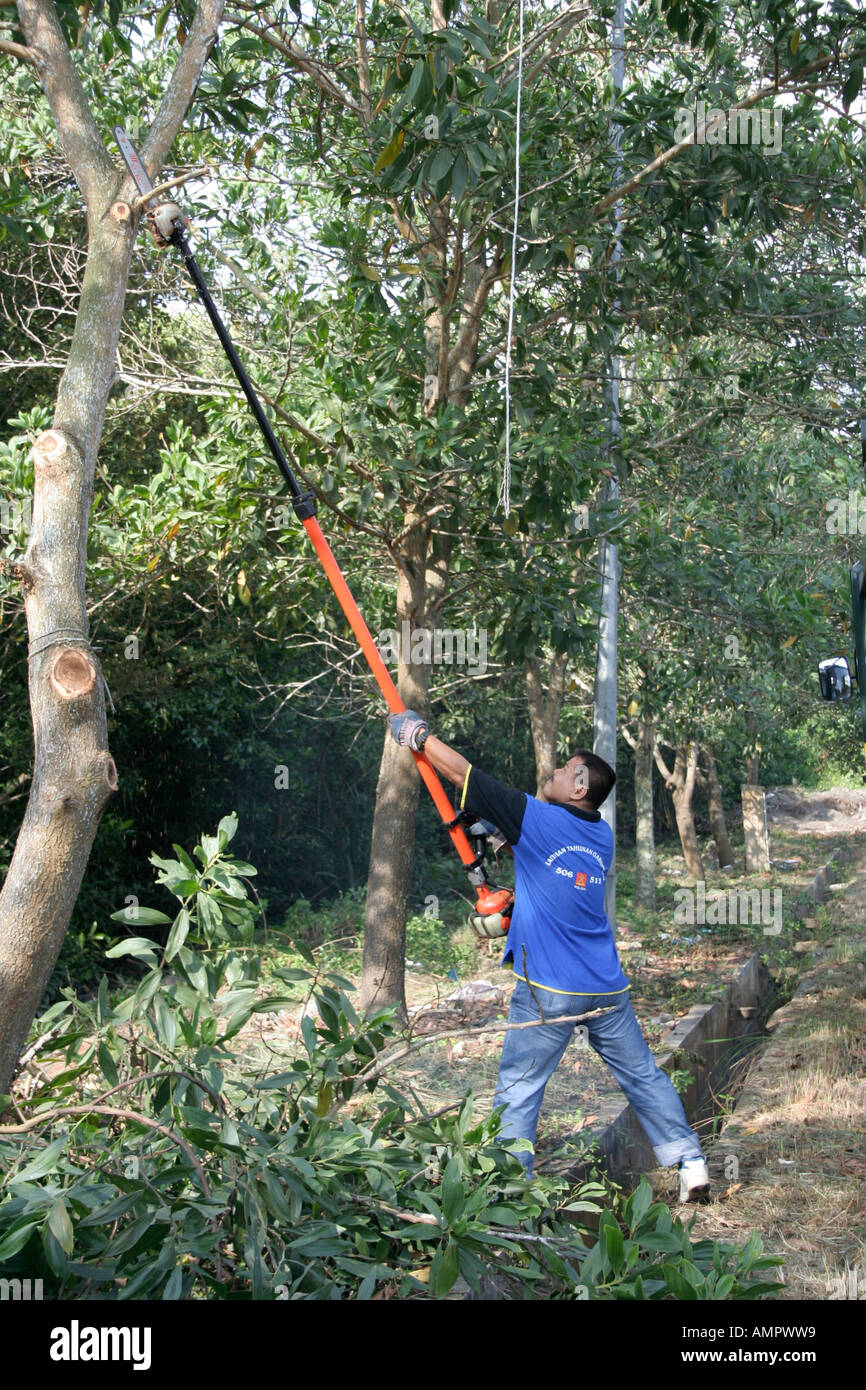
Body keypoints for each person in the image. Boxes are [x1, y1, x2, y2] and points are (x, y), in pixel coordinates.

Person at [387, 709, 711, 1203]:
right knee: (643, 1075)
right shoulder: (599, 836)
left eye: (563, 770)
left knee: (520, 1086)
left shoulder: (536, 817)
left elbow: (461, 773)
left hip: (549, 991)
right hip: (606, 987)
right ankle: (691, 1164)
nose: (554, 773)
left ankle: (513, 1191)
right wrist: (501, 840)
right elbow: (554, 871)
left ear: (580, 785)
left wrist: (417, 736)